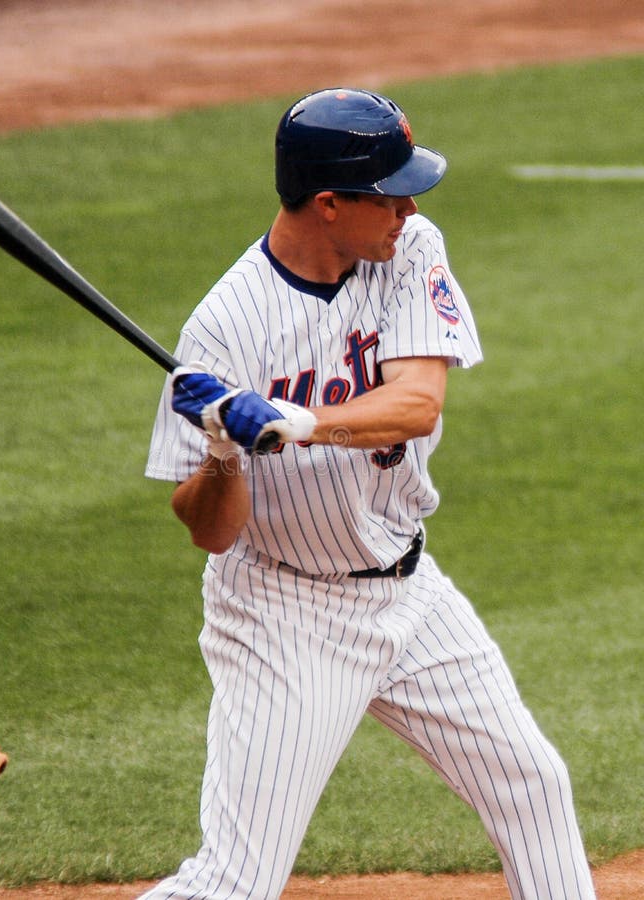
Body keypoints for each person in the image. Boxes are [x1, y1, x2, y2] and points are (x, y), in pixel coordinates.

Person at [142, 88, 596, 900]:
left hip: (411, 594)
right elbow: (211, 532)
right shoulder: (223, 328)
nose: (408, 207)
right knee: (235, 883)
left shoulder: (410, 247)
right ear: (328, 205)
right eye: (388, 194)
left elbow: (417, 404)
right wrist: (222, 447)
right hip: (287, 616)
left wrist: (298, 420)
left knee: (534, 787)